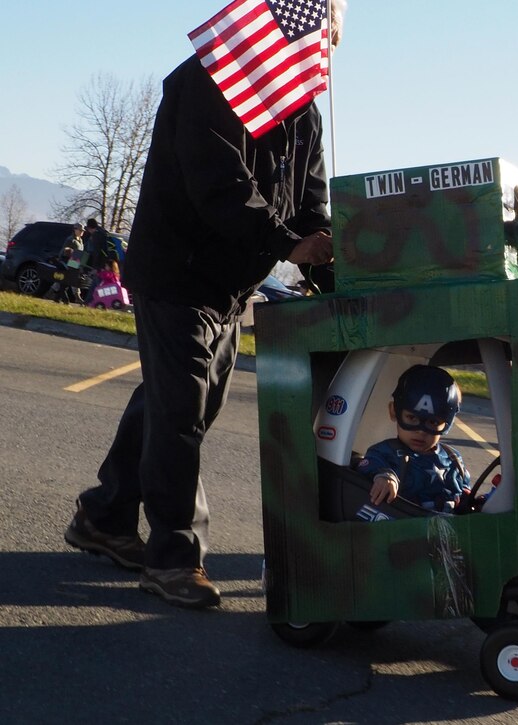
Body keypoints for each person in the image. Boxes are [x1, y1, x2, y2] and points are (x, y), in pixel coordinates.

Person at [63, 1, 347, 609]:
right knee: (181, 414)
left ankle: (104, 516)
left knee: (178, 403)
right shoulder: (208, 82)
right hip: (177, 272)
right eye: (324, 32)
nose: (328, 50)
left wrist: (327, 256)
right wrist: (286, 244)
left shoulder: (303, 111)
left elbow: (311, 200)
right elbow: (220, 187)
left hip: (229, 285)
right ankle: (173, 559)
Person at [354, 365, 472, 513]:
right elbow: (366, 466)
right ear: (394, 412)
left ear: (447, 423)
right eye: (412, 418)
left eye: (433, 422)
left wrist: (470, 500)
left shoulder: (454, 459)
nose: (421, 431)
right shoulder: (384, 452)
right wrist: (384, 477)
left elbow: (464, 492)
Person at [50, 223, 86, 303]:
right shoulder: (71, 239)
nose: (81, 232)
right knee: (67, 280)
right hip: (68, 260)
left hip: (75, 261)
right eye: (80, 230)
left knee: (67, 280)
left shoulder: (80, 241)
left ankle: (56, 297)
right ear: (75, 230)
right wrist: (63, 257)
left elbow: (80, 252)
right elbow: (64, 249)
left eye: (82, 230)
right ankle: (65, 299)